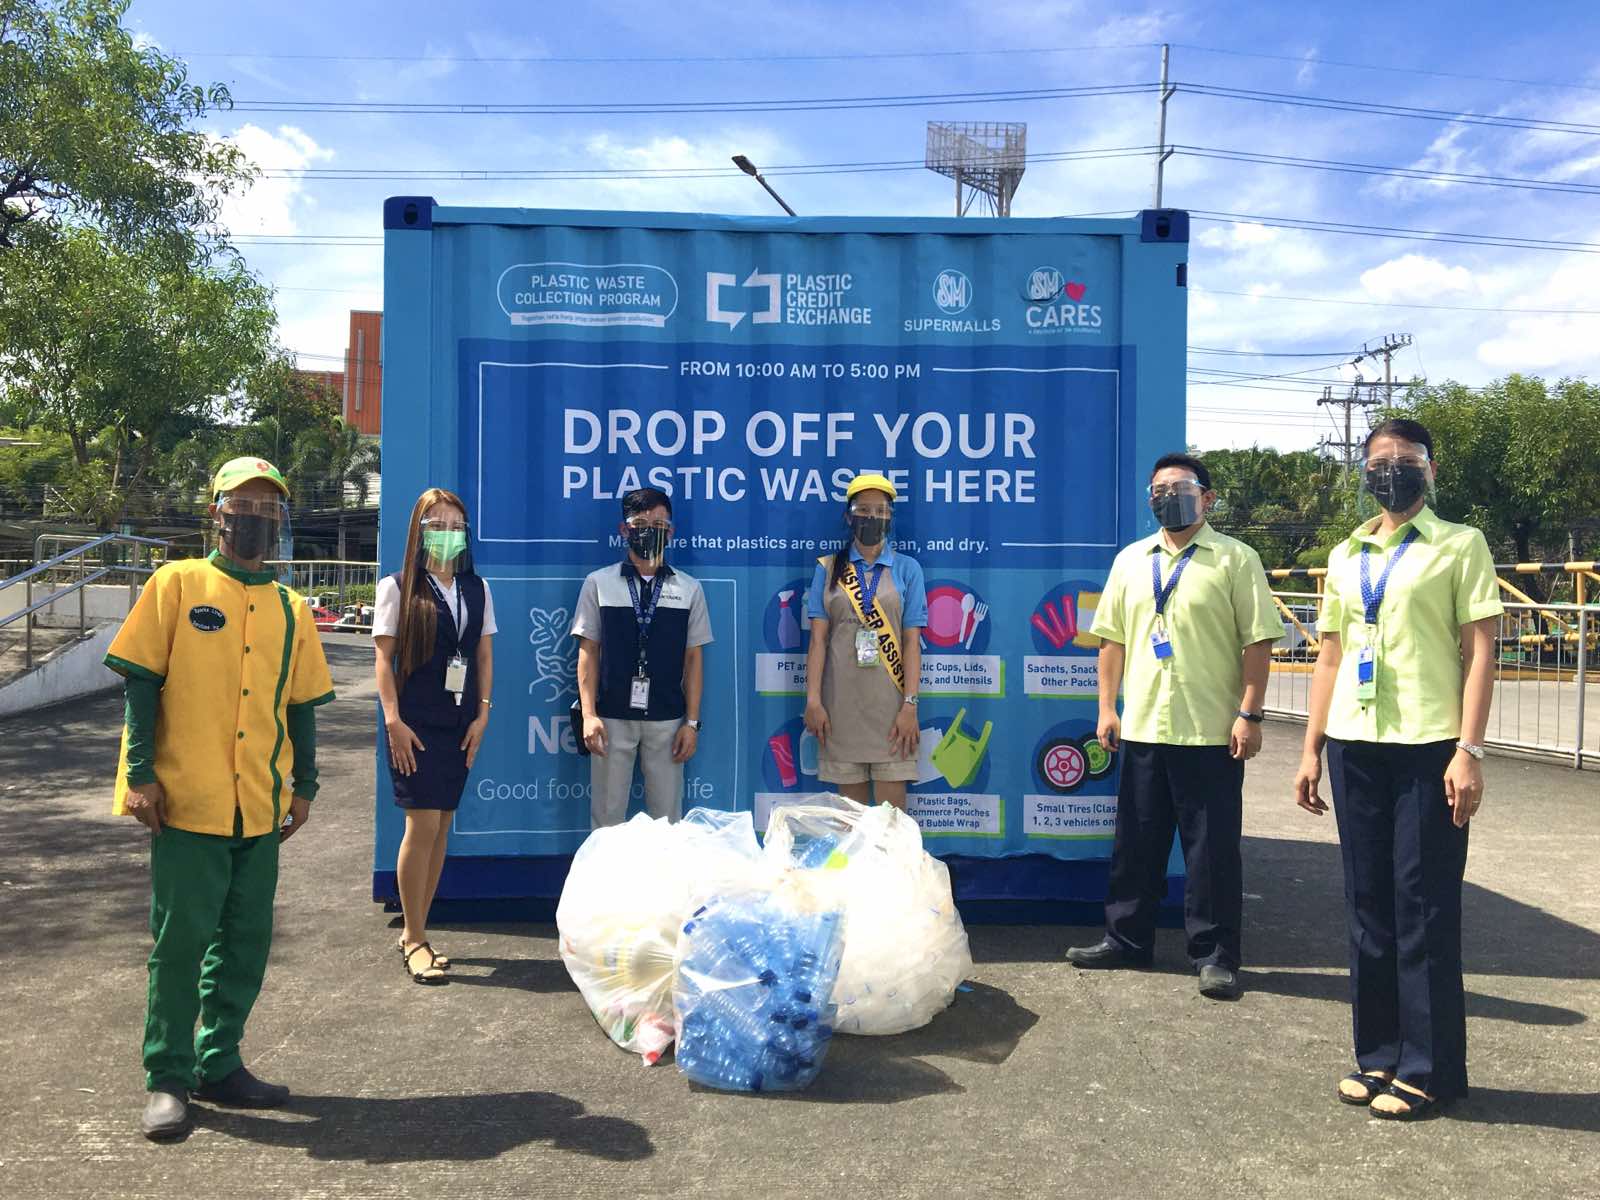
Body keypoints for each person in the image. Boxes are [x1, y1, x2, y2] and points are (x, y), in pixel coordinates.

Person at [103, 457, 335, 1141]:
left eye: (269, 509)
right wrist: (139, 774)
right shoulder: (176, 584)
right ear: (217, 512)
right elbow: (140, 684)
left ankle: (220, 1060)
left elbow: (302, 708)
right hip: (186, 800)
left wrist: (307, 787)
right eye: (244, 505)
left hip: (259, 808)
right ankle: (168, 1076)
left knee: (244, 942)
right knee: (180, 944)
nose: (256, 518)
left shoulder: (293, 608)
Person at [1294, 418, 1501, 1120]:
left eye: (1405, 460)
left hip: (1428, 748)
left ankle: (1428, 1067)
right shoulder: (1346, 553)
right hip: (1356, 744)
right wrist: (1311, 748)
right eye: (1379, 461)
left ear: (1430, 470)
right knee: (1368, 907)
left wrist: (1468, 752)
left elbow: (1481, 652)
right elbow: (1328, 655)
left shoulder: (1460, 545)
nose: (1391, 472)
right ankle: (1377, 1054)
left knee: (1424, 907)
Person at [1065, 453, 1285, 1000]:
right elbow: (1110, 640)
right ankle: (1127, 940)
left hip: (1211, 730)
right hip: (1141, 724)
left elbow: (1258, 641)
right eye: (1158, 490)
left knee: (1210, 851)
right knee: (1136, 843)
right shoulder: (1131, 561)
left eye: (1180, 488)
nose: (1167, 497)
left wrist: (1250, 712)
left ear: (1208, 499)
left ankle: (1215, 954)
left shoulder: (1237, 559)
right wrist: (1106, 708)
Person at [373, 488, 495, 984]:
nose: (447, 534)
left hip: (459, 724)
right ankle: (415, 937)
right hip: (414, 725)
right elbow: (383, 659)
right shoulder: (398, 587)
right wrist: (393, 721)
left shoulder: (477, 589)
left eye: (455, 525)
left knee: (442, 827)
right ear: (420, 533)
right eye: (436, 525)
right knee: (420, 827)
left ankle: (416, 932)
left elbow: (483, 657)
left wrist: (482, 715)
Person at [572, 488, 711, 827]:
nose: (650, 529)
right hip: (610, 719)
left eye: (659, 523)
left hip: (667, 720)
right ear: (624, 530)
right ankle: (605, 883)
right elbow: (587, 653)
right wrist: (589, 716)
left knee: (667, 823)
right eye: (640, 522)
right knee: (607, 821)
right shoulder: (598, 583)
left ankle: (665, 884)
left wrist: (691, 724)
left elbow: (694, 660)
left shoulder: (689, 589)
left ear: (671, 532)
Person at [803, 472, 927, 810]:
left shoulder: (907, 570)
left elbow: (912, 643)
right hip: (840, 709)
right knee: (852, 822)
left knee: (891, 823)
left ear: (890, 518)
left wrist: (910, 705)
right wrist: (813, 701)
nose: (871, 517)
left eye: (881, 511)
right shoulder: (828, 570)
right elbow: (817, 641)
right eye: (863, 509)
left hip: (892, 712)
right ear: (848, 516)